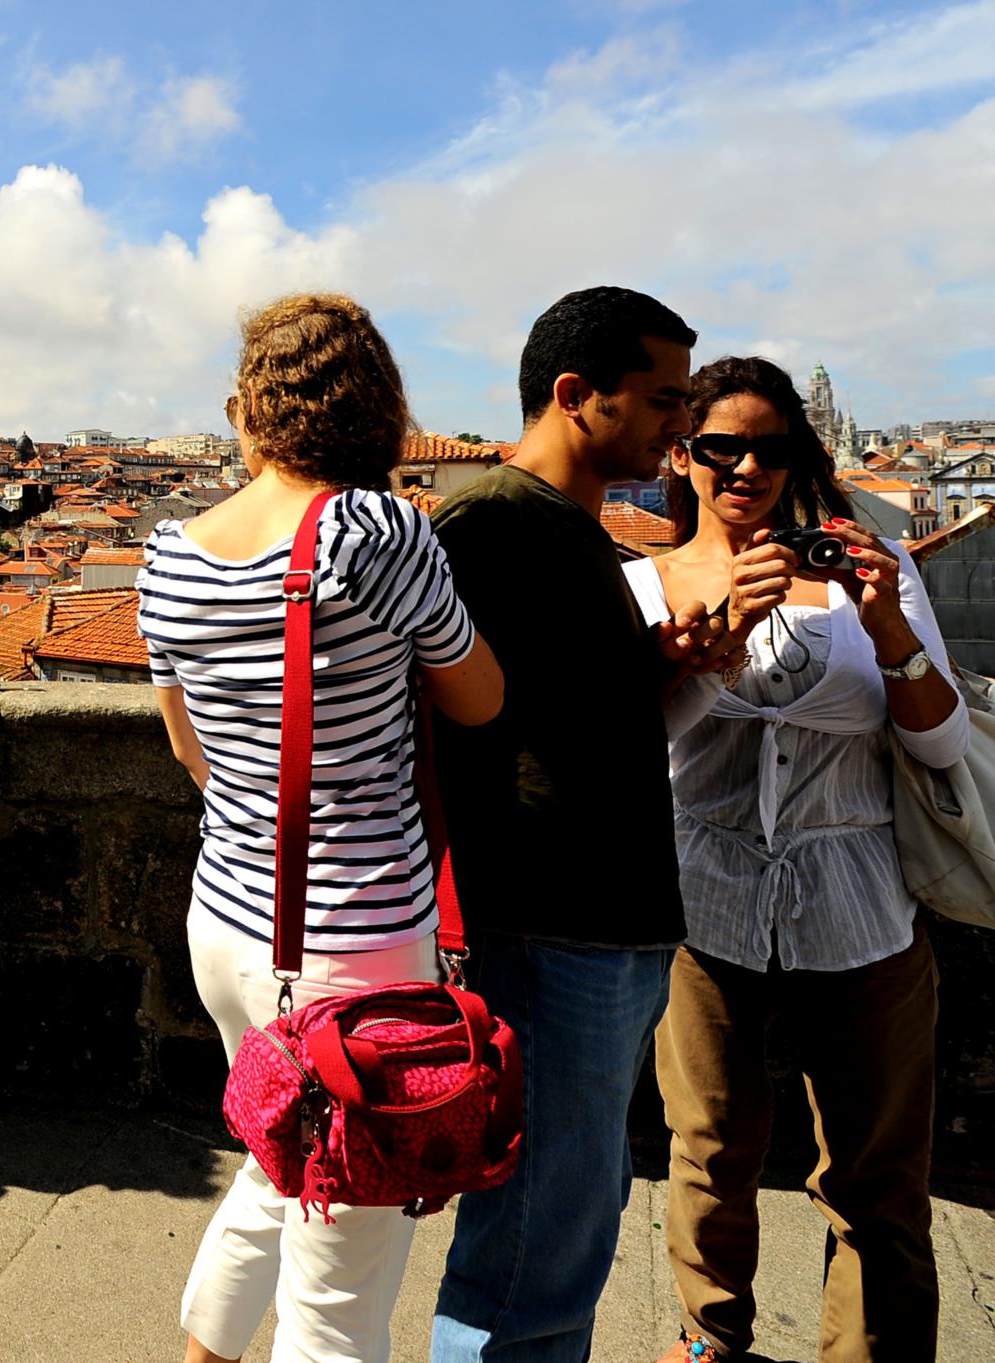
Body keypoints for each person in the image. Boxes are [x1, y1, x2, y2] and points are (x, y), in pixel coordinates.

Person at [140, 293, 504, 1363]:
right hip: (360, 947)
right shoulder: (376, 532)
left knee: (277, 1163)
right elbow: (477, 699)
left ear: (247, 414)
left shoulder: (169, 551)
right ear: (375, 411)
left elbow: (185, 751)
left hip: (226, 920)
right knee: (342, 1278)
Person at [626, 356, 965, 1363]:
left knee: (876, 1178)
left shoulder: (878, 570)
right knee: (706, 1151)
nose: (742, 469)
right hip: (703, 908)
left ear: (797, 459)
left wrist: (888, 626)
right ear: (681, 455)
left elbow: (939, 745)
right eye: (717, 447)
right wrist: (717, 632)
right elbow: (628, 750)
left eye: (767, 449)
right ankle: (706, 1340)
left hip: (860, 908)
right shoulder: (640, 583)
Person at [427, 287, 730, 1362]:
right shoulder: (487, 526)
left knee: (568, 1221)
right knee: (531, 1250)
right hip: (548, 930)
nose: (678, 427)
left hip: (606, 926)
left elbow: (556, 716)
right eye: (659, 398)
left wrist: (658, 663)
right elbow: (428, 732)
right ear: (572, 394)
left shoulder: (571, 534)